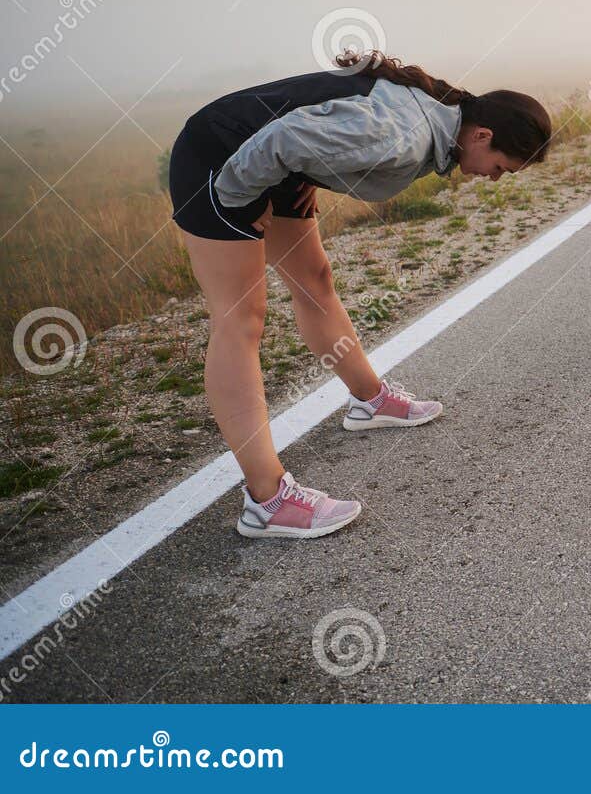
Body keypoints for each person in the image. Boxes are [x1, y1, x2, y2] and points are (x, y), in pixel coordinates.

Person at [167, 51, 551, 538]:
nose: (493, 178)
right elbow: (281, 139)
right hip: (225, 157)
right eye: (500, 168)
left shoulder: (437, 119)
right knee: (242, 318)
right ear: (482, 135)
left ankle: (370, 401)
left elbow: (294, 141)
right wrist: (246, 197)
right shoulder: (401, 138)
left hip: (275, 161)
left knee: (316, 281)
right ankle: (267, 500)